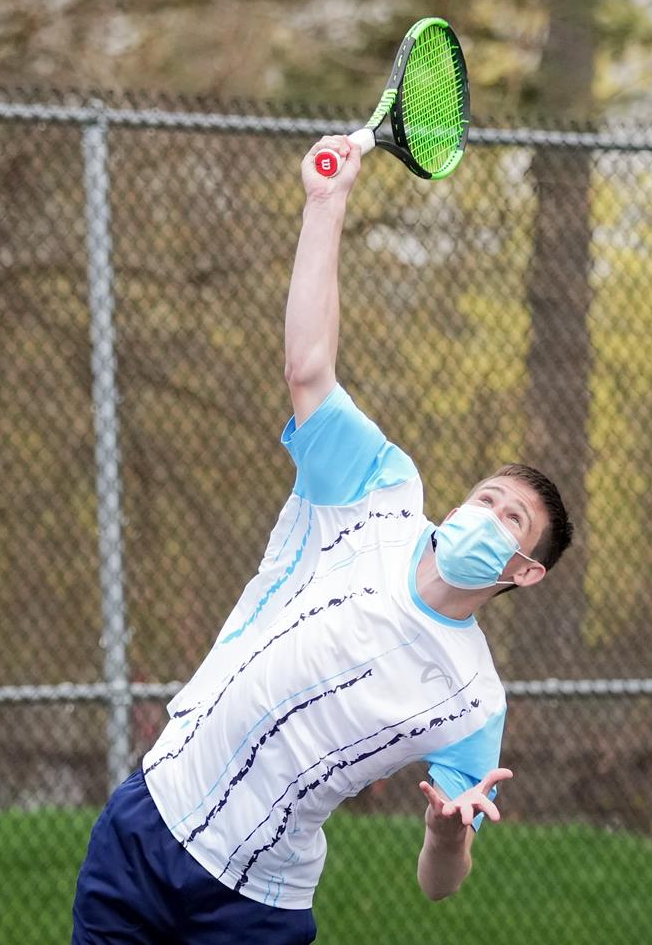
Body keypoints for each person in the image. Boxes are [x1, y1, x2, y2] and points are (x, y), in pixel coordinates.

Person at [70, 133, 575, 944]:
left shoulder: (474, 699)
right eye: (486, 496)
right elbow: (308, 368)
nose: (486, 514)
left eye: (511, 518)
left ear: (525, 570)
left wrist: (448, 836)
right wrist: (324, 203)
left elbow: (439, 884)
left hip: (257, 902)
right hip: (149, 817)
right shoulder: (378, 492)